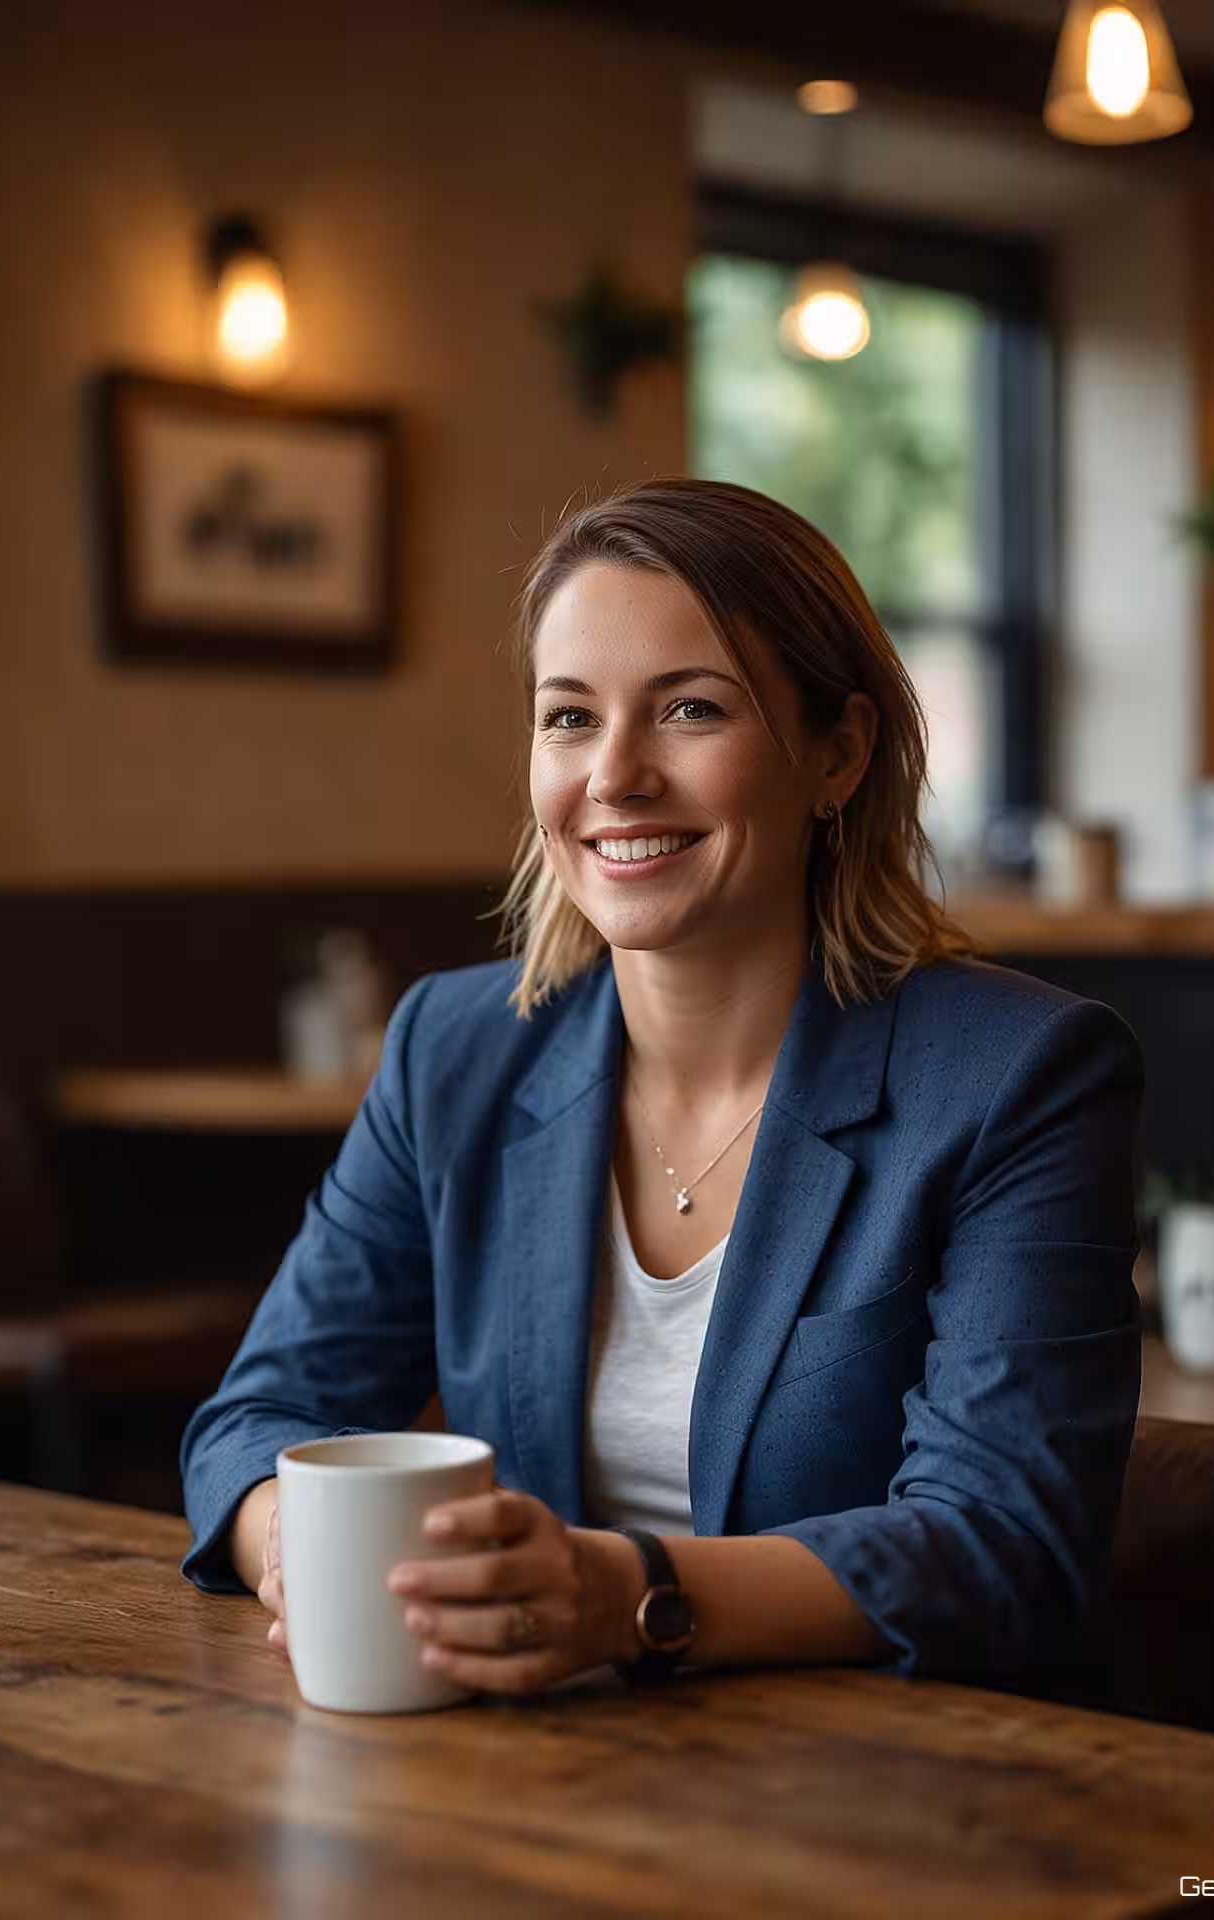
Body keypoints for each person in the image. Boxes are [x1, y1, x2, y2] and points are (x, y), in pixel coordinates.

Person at [180, 477, 1143, 1697]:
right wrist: (303, 1553)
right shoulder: (453, 1050)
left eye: (691, 709)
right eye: (569, 718)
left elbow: (1003, 1546)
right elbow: (257, 1420)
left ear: (840, 752)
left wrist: (624, 1599)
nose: (615, 775)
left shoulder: (1020, 1074)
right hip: (533, 1759)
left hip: (892, 1769)